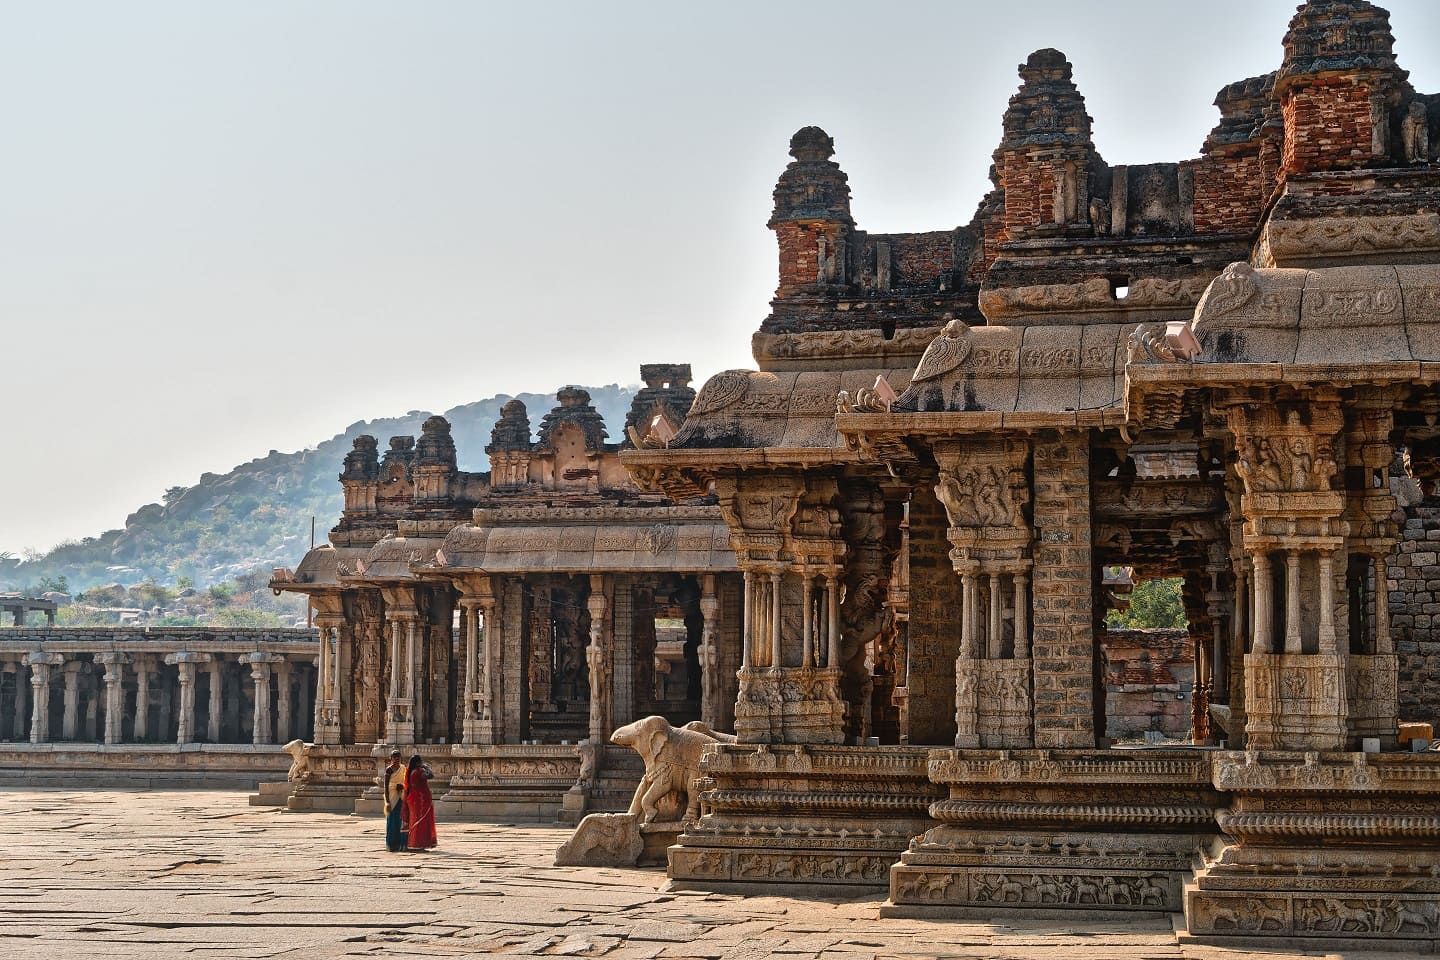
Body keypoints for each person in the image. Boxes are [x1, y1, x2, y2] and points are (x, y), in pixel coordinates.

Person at [403, 753, 437, 852]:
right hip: (421, 799)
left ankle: (414, 843)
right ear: (418, 763)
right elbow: (431, 775)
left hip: (413, 798)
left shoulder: (410, 771)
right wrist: (427, 767)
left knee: (415, 820)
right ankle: (420, 844)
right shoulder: (418, 772)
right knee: (422, 821)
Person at [383, 749, 407, 853]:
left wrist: (402, 786)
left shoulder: (403, 768)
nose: (397, 759)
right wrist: (387, 802)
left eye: (398, 757)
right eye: (394, 757)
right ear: (391, 759)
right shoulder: (389, 770)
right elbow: (386, 786)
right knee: (392, 821)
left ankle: (400, 843)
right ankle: (391, 844)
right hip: (392, 796)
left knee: (400, 821)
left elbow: (406, 782)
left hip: (401, 795)